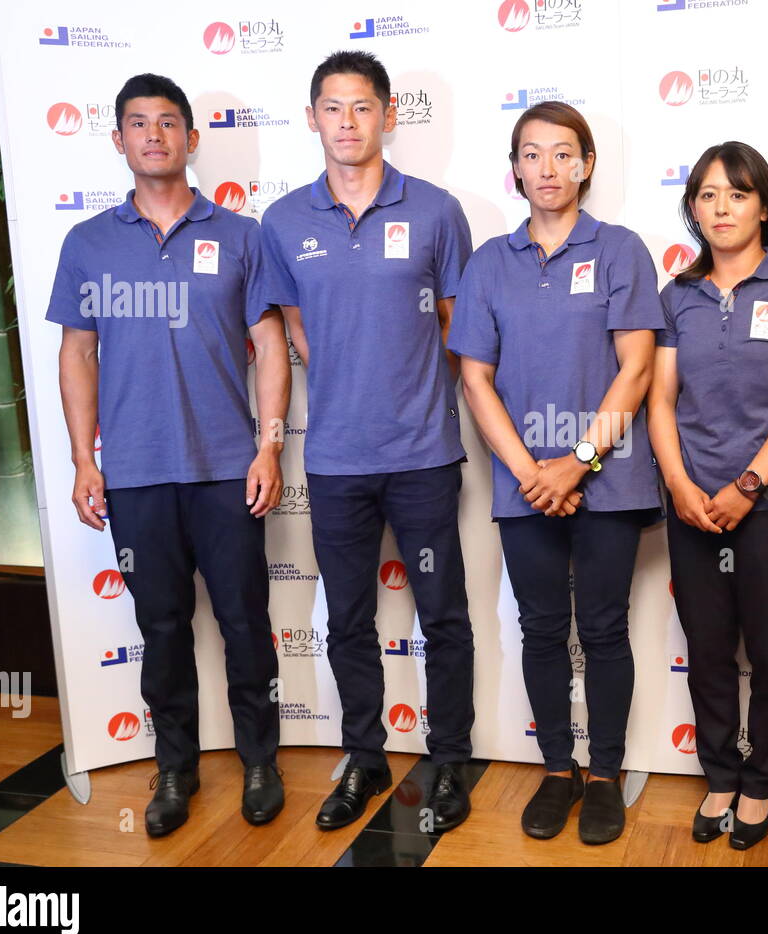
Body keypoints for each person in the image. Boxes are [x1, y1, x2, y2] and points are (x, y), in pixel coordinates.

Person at [47, 73, 290, 837]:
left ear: (191, 137)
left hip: (226, 469)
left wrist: (270, 444)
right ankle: (175, 768)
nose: (154, 134)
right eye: (138, 123)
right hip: (137, 475)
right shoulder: (87, 243)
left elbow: (270, 345)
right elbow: (77, 354)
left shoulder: (243, 236)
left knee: (247, 623)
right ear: (117, 139)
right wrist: (86, 462)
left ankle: (259, 761)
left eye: (168, 122)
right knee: (161, 628)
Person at [260, 51, 476, 832]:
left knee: (442, 614)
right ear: (311, 116)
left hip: (423, 457)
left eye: (362, 107)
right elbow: (297, 336)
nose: (347, 122)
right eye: (332, 107)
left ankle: (451, 758)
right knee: (346, 620)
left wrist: (409, 394)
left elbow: (458, 330)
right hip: (337, 462)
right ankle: (366, 757)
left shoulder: (437, 211)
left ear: (387, 114)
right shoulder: (283, 222)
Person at [448, 101, 661, 845]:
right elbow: (476, 378)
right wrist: (530, 473)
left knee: (603, 628)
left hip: (607, 478)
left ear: (587, 165)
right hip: (522, 481)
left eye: (563, 153)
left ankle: (604, 774)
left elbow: (636, 369)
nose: (548, 167)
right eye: (532, 154)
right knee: (541, 630)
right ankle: (555, 768)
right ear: (515, 170)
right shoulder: (489, 263)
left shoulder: (621, 249)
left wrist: (576, 465)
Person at [647, 142, 768, 850]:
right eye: (707, 195)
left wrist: (747, 485)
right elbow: (660, 401)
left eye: (737, 193)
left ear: (764, 206)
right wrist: (681, 485)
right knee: (708, 649)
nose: (721, 207)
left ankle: (761, 784)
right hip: (691, 502)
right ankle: (720, 774)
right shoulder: (678, 296)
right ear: (692, 208)